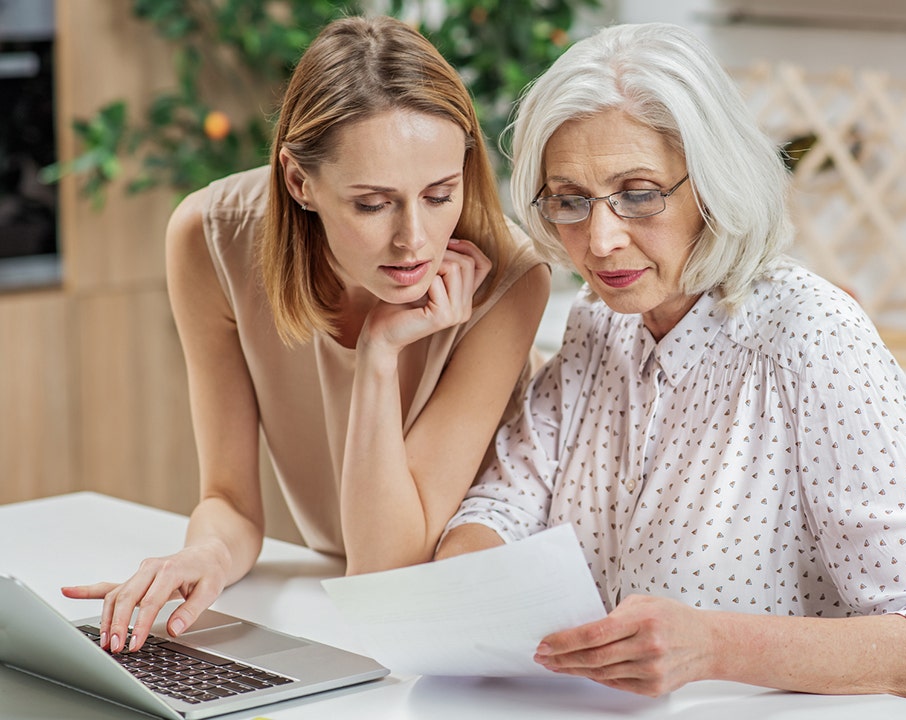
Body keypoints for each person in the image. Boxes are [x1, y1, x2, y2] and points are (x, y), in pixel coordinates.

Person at [435, 22, 906, 712]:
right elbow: (505, 501)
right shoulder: (598, 319)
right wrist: (462, 582)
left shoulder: (812, 338)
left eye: (639, 193)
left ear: (712, 182)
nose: (601, 239)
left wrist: (713, 645)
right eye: (570, 200)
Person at [62, 15, 550, 655]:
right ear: (299, 181)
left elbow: (389, 576)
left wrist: (378, 354)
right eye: (373, 204)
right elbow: (230, 500)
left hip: (463, 620)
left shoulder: (508, 281)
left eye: (440, 194)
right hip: (337, 600)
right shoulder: (213, 241)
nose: (415, 239)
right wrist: (205, 553)